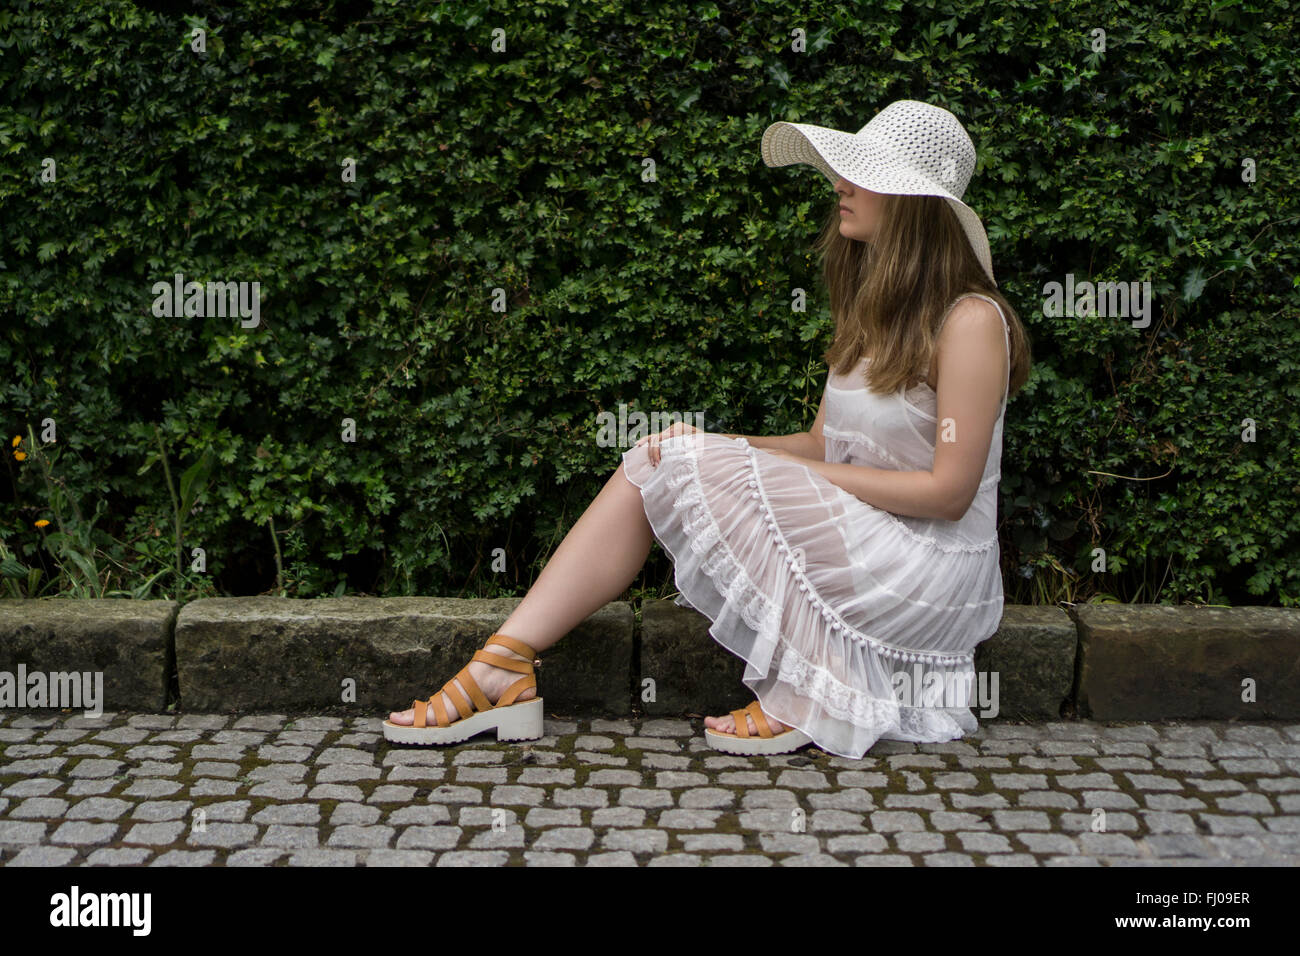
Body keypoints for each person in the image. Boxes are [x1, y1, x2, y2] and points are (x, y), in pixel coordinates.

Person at [383, 99, 1031, 759]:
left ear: (912, 200)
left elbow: (949, 492)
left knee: (693, 464)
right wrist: (714, 448)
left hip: (926, 569)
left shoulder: (971, 321)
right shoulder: (875, 310)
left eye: (860, 172)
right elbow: (820, 445)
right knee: (657, 456)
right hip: (863, 535)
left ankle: (814, 692)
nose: (840, 183)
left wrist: (761, 471)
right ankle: (504, 663)